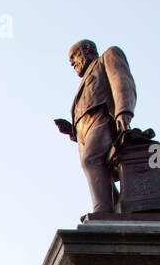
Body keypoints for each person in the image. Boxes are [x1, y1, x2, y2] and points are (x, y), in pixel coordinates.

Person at [53, 39, 136, 213]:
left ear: (87, 50)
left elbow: (121, 81)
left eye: (74, 57)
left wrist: (123, 111)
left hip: (101, 118)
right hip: (84, 131)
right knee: (97, 166)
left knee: (91, 160)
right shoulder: (83, 83)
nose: (72, 63)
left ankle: (103, 210)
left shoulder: (107, 57)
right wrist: (72, 130)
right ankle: (115, 207)